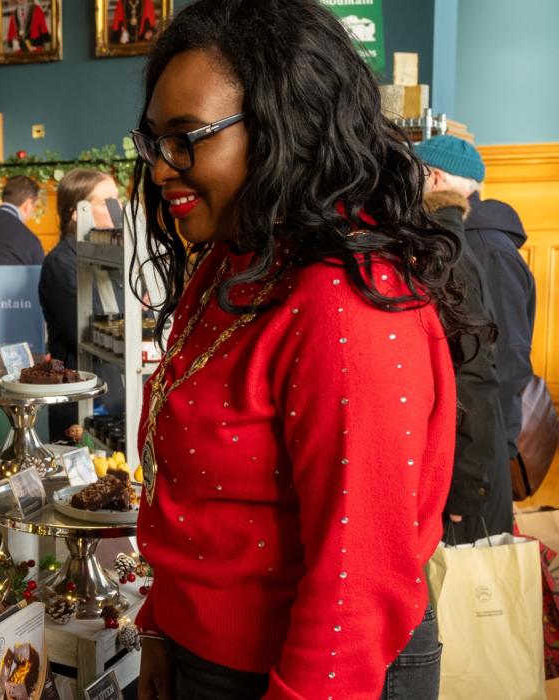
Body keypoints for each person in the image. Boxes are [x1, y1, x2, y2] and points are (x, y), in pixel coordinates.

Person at [128, 1, 481, 697]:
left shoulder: (344, 303)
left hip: (310, 670)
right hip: (213, 659)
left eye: (187, 138)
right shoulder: (232, 261)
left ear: (287, 128)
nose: (164, 168)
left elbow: (359, 576)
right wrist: (161, 624)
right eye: (153, 142)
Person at [417, 134, 536, 518]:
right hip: (476, 442)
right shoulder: (466, 243)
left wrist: (482, 464)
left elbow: (502, 362)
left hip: (480, 449)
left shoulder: (482, 249)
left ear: (435, 178)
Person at [422, 186, 507, 541]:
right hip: (473, 452)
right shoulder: (448, 244)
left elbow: (473, 373)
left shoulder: (444, 251)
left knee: (473, 589)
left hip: (468, 462)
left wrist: (467, 483)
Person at [38, 169, 121, 437]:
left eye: (117, 199)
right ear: (76, 212)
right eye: (107, 200)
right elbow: (89, 331)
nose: (117, 207)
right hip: (81, 406)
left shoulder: (110, 259)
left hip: (116, 397)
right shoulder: (60, 264)